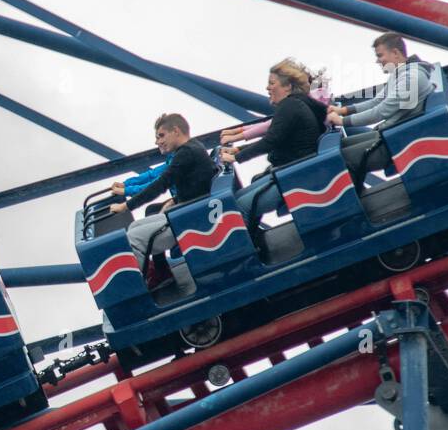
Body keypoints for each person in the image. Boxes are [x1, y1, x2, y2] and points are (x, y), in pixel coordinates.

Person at [221, 59, 323, 234]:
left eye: (271, 83)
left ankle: (246, 255)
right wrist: (237, 151)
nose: (267, 88)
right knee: (239, 197)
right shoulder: (296, 104)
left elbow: (271, 141)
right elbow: (275, 137)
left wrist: (236, 158)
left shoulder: (290, 106)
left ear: (288, 87)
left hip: (293, 176)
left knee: (238, 210)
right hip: (288, 171)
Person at [327, 33, 435, 192]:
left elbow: (381, 111)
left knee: (340, 160)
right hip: (389, 135)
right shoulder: (402, 74)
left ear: (396, 53)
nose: (378, 61)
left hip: (397, 141)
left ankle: (354, 208)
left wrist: (342, 121)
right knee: (340, 146)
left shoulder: (410, 78)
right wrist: (343, 111)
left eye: (380, 55)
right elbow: (378, 101)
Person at [111, 113, 216, 271]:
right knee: (134, 227)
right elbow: (195, 184)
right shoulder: (194, 147)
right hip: (192, 209)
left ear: (175, 131)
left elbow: (160, 184)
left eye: (161, 136)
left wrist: (126, 206)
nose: (157, 142)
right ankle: (161, 273)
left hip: (191, 218)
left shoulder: (186, 154)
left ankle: (138, 289)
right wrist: (175, 200)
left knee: (133, 239)